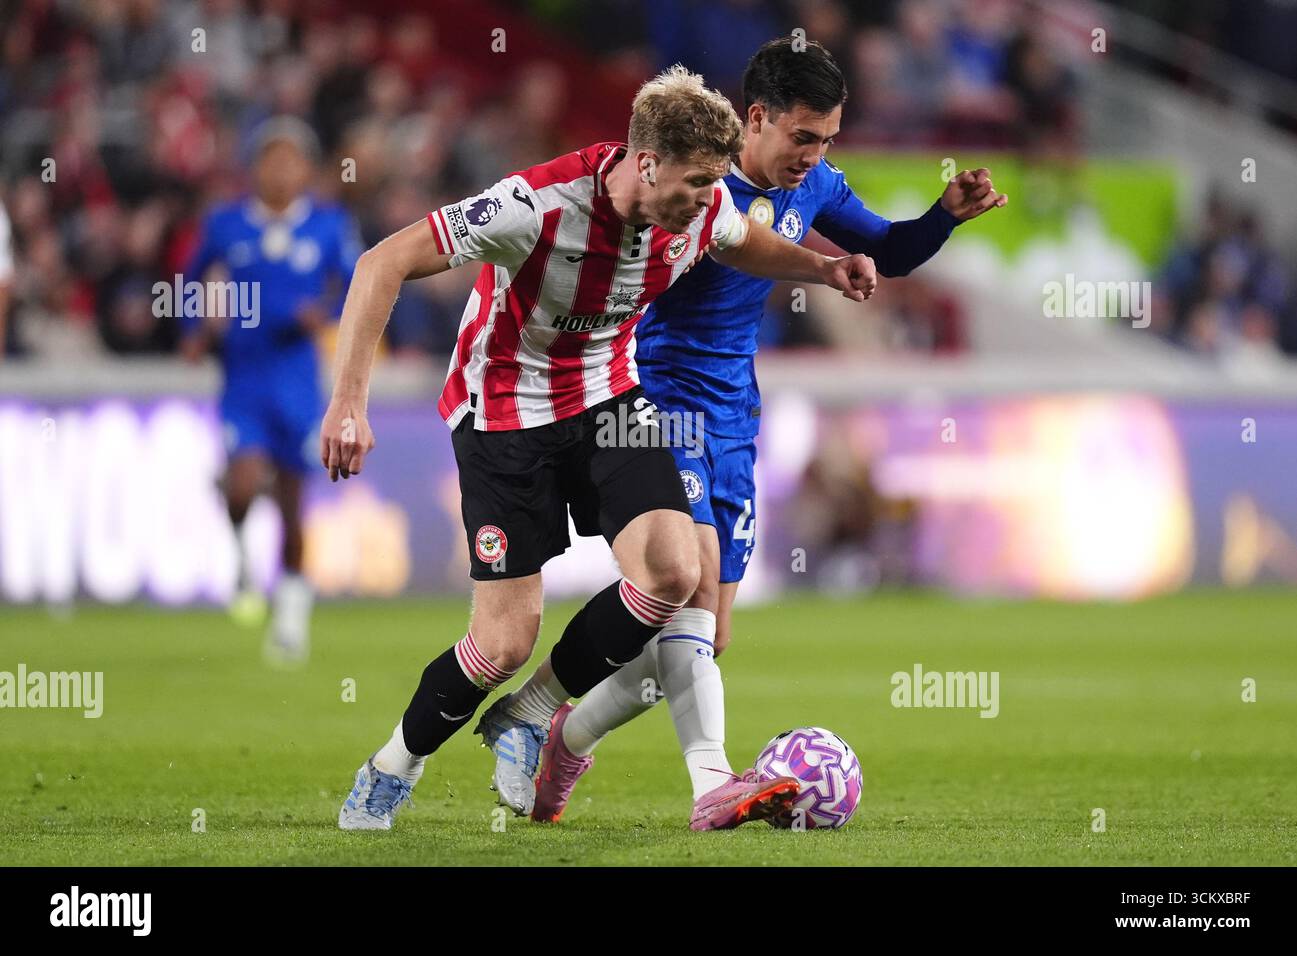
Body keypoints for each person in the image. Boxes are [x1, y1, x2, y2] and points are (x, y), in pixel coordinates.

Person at [323, 65, 877, 830]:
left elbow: (741, 239)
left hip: (608, 399)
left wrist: (822, 265)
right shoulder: (535, 206)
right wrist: (350, 401)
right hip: (505, 416)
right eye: (690, 186)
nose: (701, 205)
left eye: (712, 186)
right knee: (503, 642)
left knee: (676, 572)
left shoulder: (704, 203)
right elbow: (381, 262)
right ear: (645, 165)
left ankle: (533, 715)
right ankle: (394, 766)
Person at [527, 37, 1008, 830]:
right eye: (804, 137)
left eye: (828, 140)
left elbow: (886, 248)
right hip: (656, 392)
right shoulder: (698, 175)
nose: (815, 156)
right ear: (757, 117)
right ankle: (710, 783)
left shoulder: (814, 184)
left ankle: (566, 735)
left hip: (732, 412)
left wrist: (944, 217)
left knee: (705, 639)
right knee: (690, 585)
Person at [182, 117, 362, 664]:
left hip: (299, 383)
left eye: (291, 160)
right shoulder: (225, 223)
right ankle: (239, 555)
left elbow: (357, 284)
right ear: (255, 167)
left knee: (291, 505)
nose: (280, 170)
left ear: (306, 169)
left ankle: (289, 619)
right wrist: (195, 328)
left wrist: (323, 315)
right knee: (240, 485)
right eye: (270, 159)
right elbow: (190, 276)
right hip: (244, 377)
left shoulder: (328, 225)